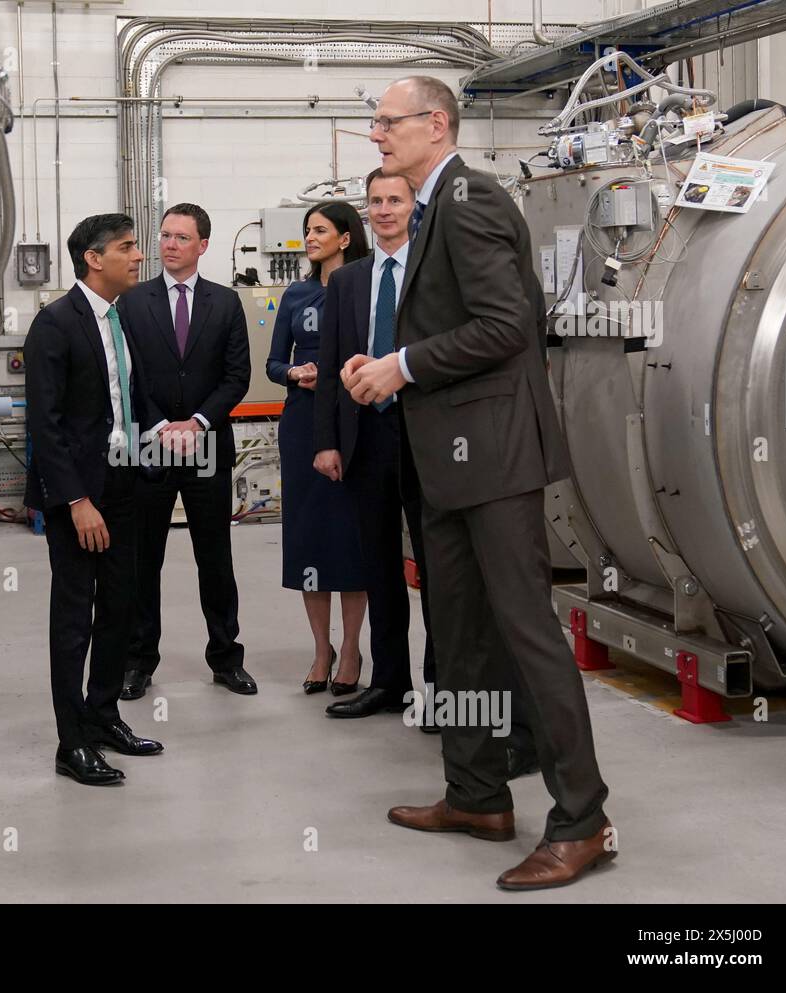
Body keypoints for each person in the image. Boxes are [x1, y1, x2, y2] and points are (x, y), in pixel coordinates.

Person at [342, 76, 613, 890]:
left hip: (492, 456)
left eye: (387, 122)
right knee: (459, 633)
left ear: (436, 123)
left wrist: (402, 365)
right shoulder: (435, 208)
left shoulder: (469, 200)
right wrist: (389, 365)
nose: (376, 135)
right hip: (448, 459)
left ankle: (583, 821)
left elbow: (506, 325)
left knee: (526, 633)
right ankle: (477, 792)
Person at [24, 213, 168, 787]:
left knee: (120, 607)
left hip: (125, 484)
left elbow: (130, 397)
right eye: (127, 247)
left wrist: (164, 434)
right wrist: (77, 500)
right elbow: (46, 425)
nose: (139, 256)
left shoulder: (119, 317)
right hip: (79, 497)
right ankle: (72, 741)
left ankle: (104, 716)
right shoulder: (55, 324)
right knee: (74, 618)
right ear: (93, 258)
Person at [312, 169, 439, 722]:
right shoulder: (347, 281)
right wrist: (327, 442)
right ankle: (390, 682)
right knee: (380, 566)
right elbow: (329, 365)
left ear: (414, 207)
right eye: (375, 201)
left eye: (395, 199)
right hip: (366, 434)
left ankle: (440, 687)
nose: (384, 209)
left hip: (426, 433)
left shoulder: (435, 270)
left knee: (437, 567)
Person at [117, 204, 256, 698]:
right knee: (143, 561)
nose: (170, 244)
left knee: (215, 559)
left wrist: (197, 422)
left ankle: (226, 658)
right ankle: (138, 661)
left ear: (203, 245)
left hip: (207, 446)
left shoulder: (226, 303)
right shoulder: (132, 302)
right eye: (165, 235)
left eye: (181, 237)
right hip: (150, 449)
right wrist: (160, 425)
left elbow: (237, 376)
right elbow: (127, 376)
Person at [265, 202, 371, 694]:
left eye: (319, 230)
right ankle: (320, 649)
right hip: (302, 422)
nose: (309, 238)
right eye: (307, 230)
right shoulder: (296, 294)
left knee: (349, 538)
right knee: (308, 538)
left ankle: (350, 649)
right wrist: (294, 372)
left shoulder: (365, 289)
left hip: (353, 417)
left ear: (345, 238)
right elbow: (272, 363)